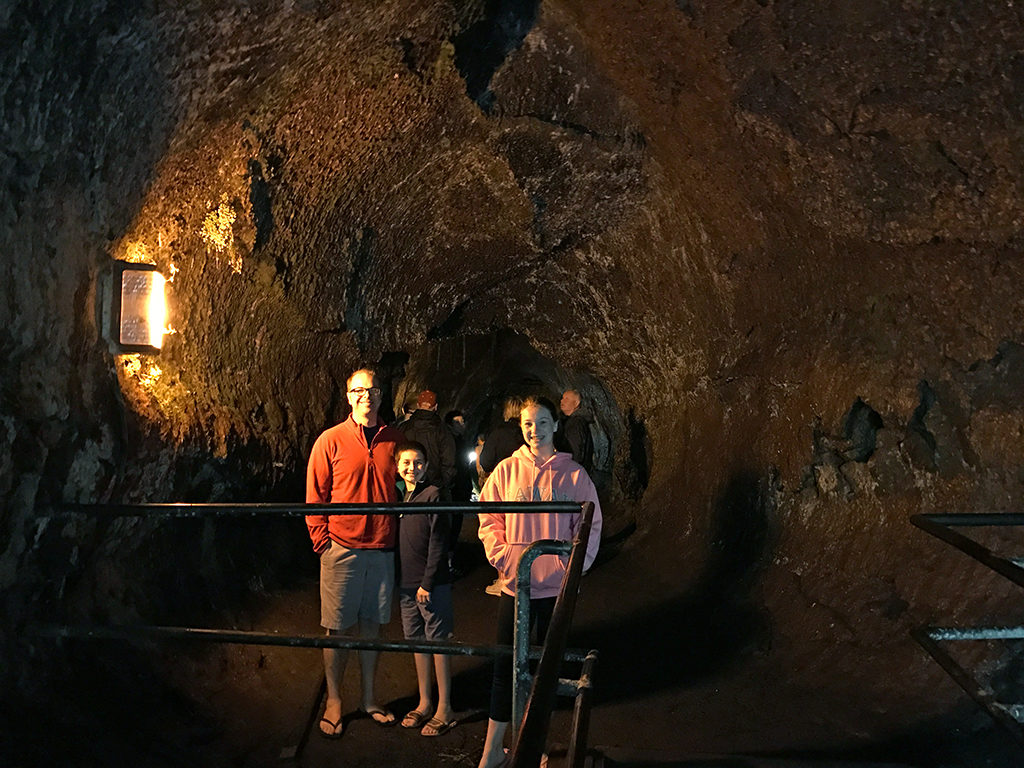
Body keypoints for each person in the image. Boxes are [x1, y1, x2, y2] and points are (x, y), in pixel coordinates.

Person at [475, 396, 603, 768]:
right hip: (517, 586)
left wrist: (571, 569)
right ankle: (491, 750)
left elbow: (590, 526)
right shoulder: (505, 471)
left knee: (546, 671)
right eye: (528, 424)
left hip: (555, 590)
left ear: (555, 426)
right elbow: (489, 518)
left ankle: (535, 744)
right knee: (505, 666)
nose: (535, 430)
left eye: (542, 422)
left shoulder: (575, 476)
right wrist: (506, 559)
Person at [306, 367, 402, 738]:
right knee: (338, 627)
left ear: (381, 395)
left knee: (372, 628)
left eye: (373, 389)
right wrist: (322, 541)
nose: (366, 395)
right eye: (358, 390)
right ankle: (334, 700)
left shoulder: (395, 439)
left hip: (380, 548)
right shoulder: (330, 440)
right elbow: (315, 493)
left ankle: (368, 698)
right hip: (341, 548)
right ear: (348, 397)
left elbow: (407, 481)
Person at [394, 441, 458, 737]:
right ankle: (424, 701)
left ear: (427, 466)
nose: (412, 468)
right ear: (397, 466)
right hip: (407, 584)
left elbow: (438, 542)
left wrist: (427, 582)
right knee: (418, 643)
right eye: (406, 463)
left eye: (418, 462)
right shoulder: (399, 498)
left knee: (438, 641)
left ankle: (445, 707)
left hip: (430, 585)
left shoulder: (433, 495)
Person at [477, 396, 526, 595]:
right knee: (521, 531)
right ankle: (523, 574)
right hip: (525, 488)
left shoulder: (498, 433)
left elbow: (487, 462)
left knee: (501, 531)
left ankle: (503, 579)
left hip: (502, 487)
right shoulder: (526, 432)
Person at [398, 390, 457, 500]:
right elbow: (449, 461)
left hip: (409, 486)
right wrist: (442, 485)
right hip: (435, 488)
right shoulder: (443, 431)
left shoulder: (403, 428)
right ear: (435, 407)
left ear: (418, 405)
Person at [555, 389, 594, 475]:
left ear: (576, 403)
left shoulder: (576, 423)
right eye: (562, 398)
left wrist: (570, 473)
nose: (562, 400)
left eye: (566, 399)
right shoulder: (572, 421)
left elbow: (576, 450)